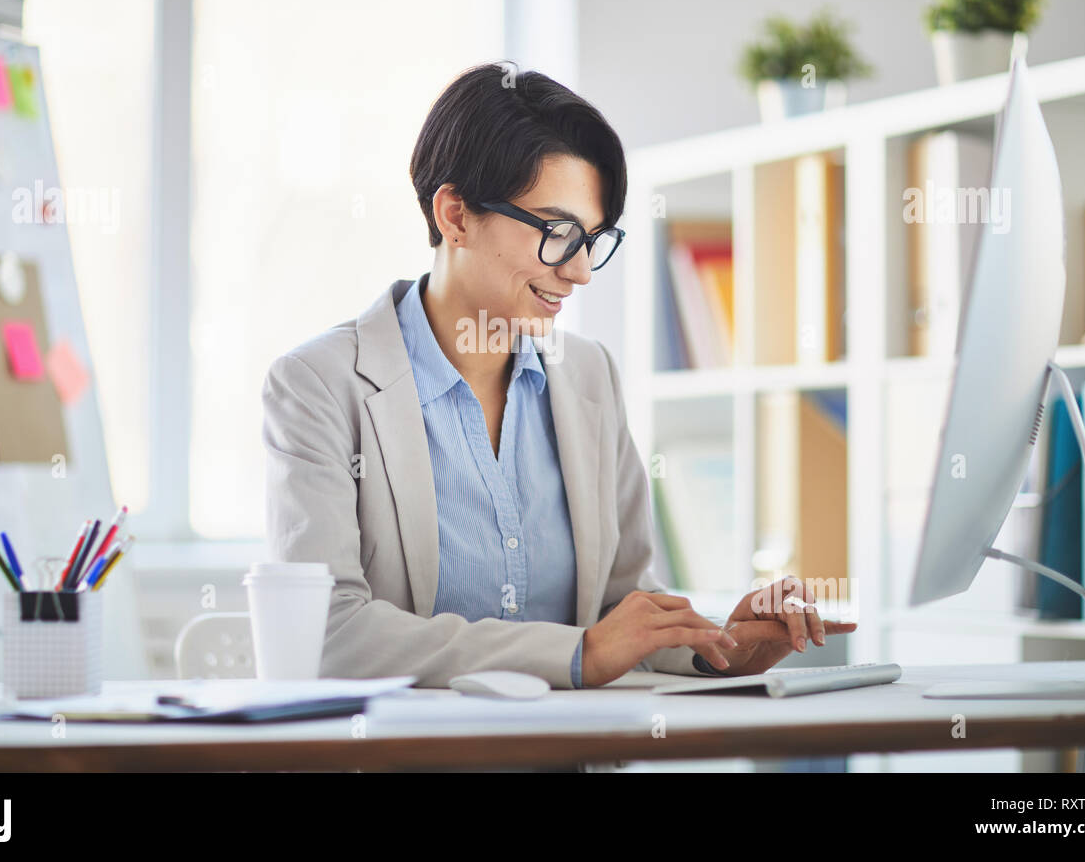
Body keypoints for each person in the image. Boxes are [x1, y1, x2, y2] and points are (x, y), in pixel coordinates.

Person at [261, 62, 855, 688]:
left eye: (592, 238)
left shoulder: (589, 377)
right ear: (456, 215)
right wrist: (577, 655)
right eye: (557, 232)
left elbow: (620, 609)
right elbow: (327, 634)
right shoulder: (319, 386)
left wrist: (717, 646)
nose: (580, 272)